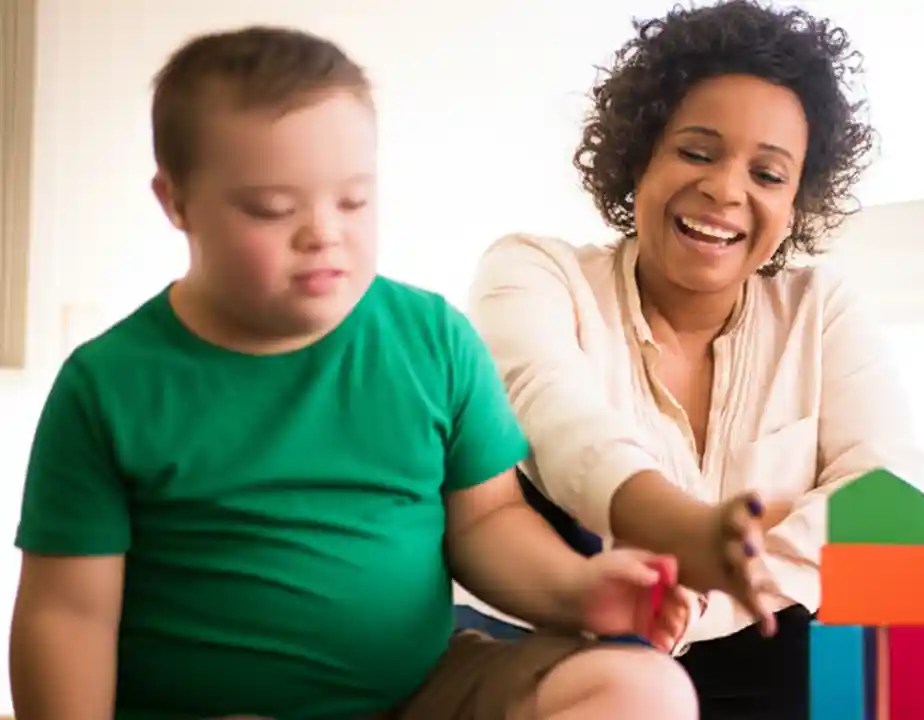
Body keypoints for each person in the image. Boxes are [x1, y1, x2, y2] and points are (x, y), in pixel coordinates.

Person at [8, 26, 705, 720]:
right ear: (177, 202)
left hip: (419, 690)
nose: (323, 232)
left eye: (352, 201)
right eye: (273, 209)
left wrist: (578, 589)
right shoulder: (110, 387)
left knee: (646, 692)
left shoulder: (431, 340)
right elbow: (67, 615)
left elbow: (488, 519)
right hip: (211, 709)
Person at [458, 1, 924, 718]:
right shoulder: (532, 272)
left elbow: (886, 491)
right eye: (698, 151)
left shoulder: (819, 308)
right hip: (587, 636)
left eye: (768, 175)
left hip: (754, 643)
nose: (726, 190)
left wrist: (715, 584)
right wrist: (675, 547)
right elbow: (564, 430)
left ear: (797, 202)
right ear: (640, 154)